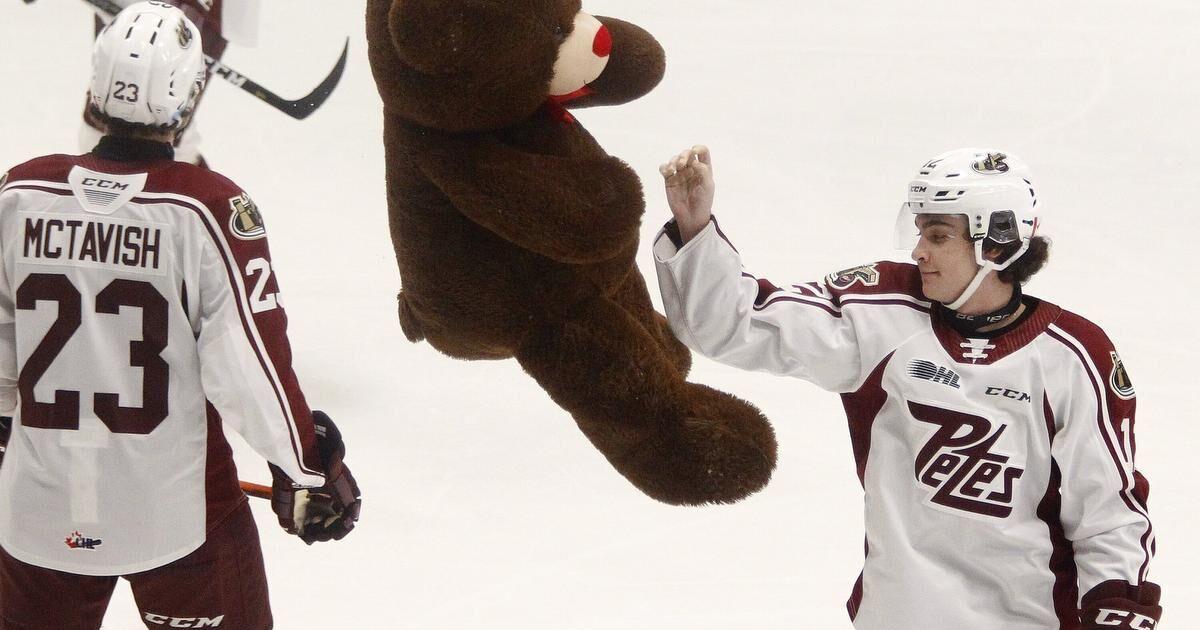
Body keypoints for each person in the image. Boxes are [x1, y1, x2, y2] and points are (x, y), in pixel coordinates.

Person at [653, 145, 1162, 629]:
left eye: (938, 236)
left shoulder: (1073, 355)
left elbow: (1109, 515)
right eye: (919, 232)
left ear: (998, 241)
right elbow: (729, 325)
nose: (918, 251)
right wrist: (695, 226)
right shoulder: (882, 313)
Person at [0, 3, 359, 628]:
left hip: (36, 520)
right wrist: (306, 466)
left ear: (93, 90)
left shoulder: (18, 195)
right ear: (189, 96)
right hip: (178, 522)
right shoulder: (207, 210)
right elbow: (250, 365)